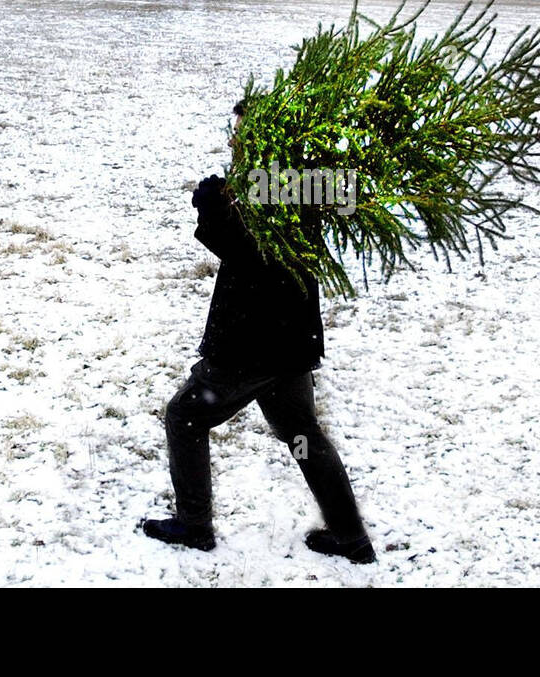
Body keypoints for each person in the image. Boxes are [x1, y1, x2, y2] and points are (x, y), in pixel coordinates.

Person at [140, 102, 376, 564]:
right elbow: (344, 196)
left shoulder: (273, 188)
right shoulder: (302, 181)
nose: (234, 140)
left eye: (243, 132)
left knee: (185, 418)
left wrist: (212, 211)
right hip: (291, 344)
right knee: (301, 435)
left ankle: (193, 524)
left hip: (252, 344)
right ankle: (351, 537)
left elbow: (250, 256)